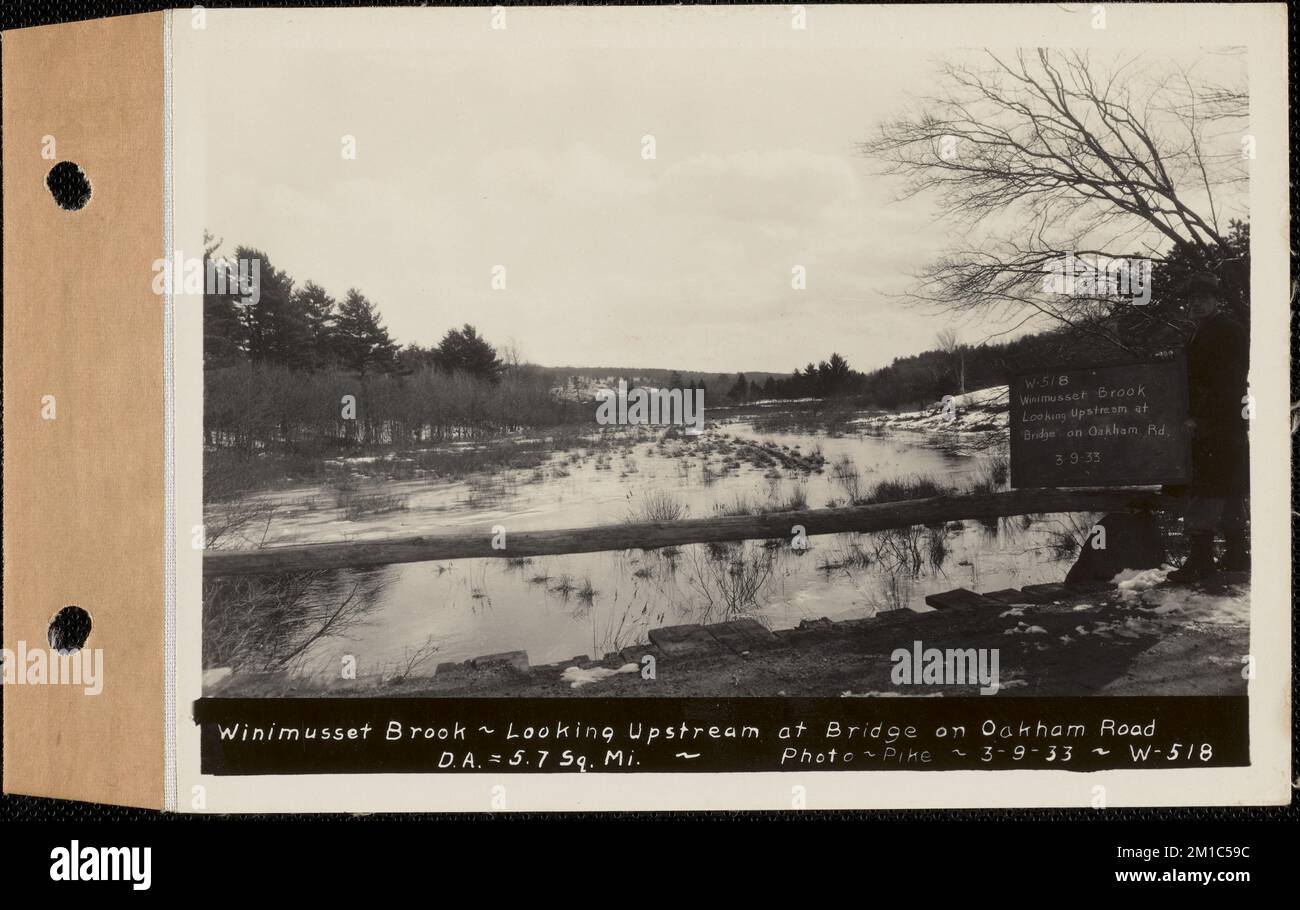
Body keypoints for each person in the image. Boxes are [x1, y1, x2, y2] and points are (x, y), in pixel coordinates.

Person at [1167, 271, 1250, 583]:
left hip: (1218, 423)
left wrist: (1199, 418)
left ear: (1216, 300)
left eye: (1202, 298)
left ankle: (1203, 561)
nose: (1196, 304)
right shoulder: (1203, 331)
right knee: (1230, 489)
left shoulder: (1226, 330)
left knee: (1209, 490)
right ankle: (1237, 557)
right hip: (1225, 424)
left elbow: (1225, 382)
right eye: (1191, 300)